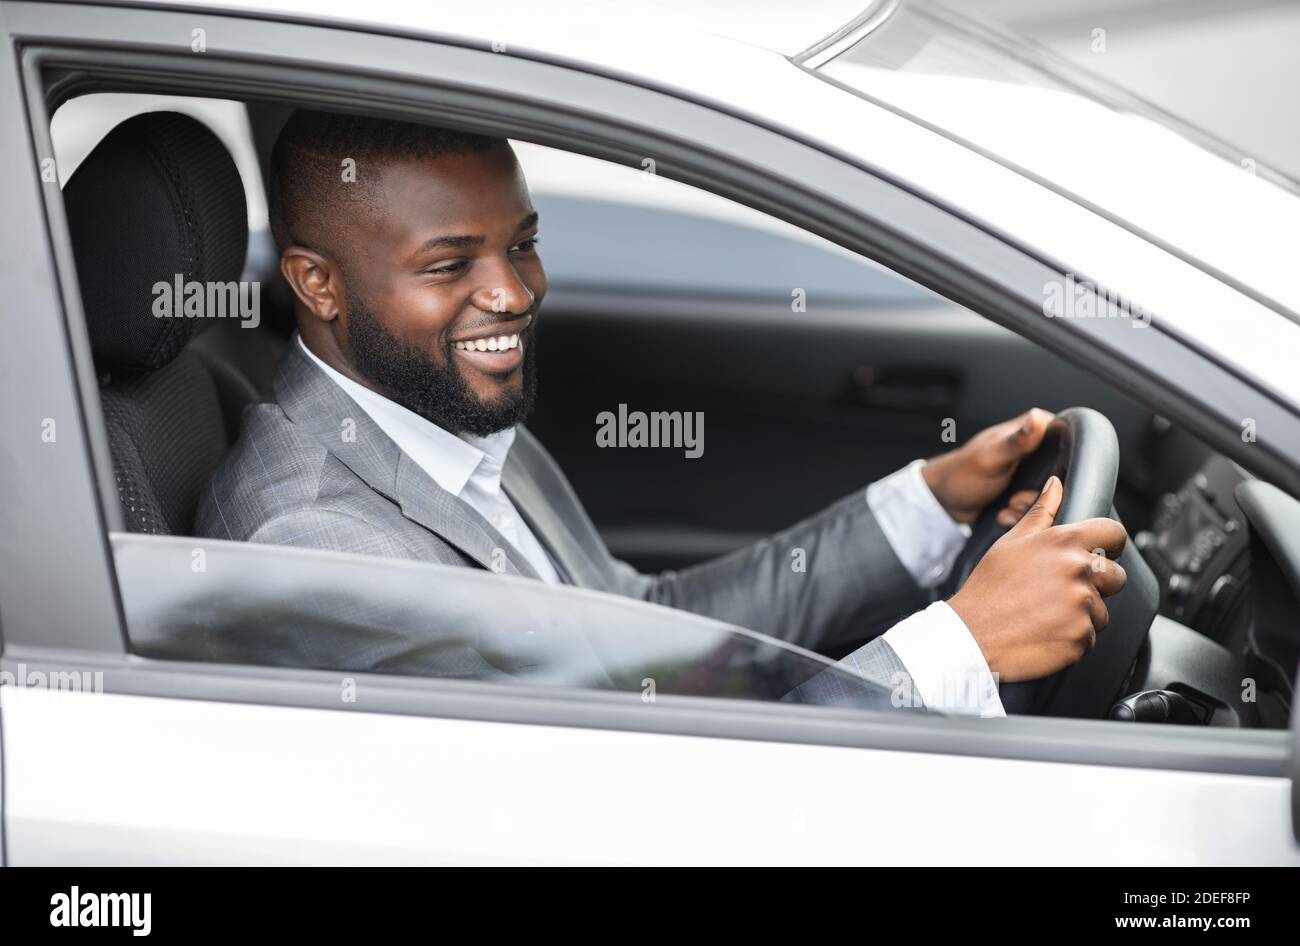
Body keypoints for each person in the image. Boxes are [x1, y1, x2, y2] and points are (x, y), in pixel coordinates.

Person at [197, 110, 1128, 716]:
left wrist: (930, 505)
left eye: (522, 245)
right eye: (450, 266)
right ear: (317, 283)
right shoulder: (323, 548)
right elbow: (614, 808)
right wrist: (957, 647)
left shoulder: (434, 418)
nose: (514, 294)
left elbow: (642, 624)